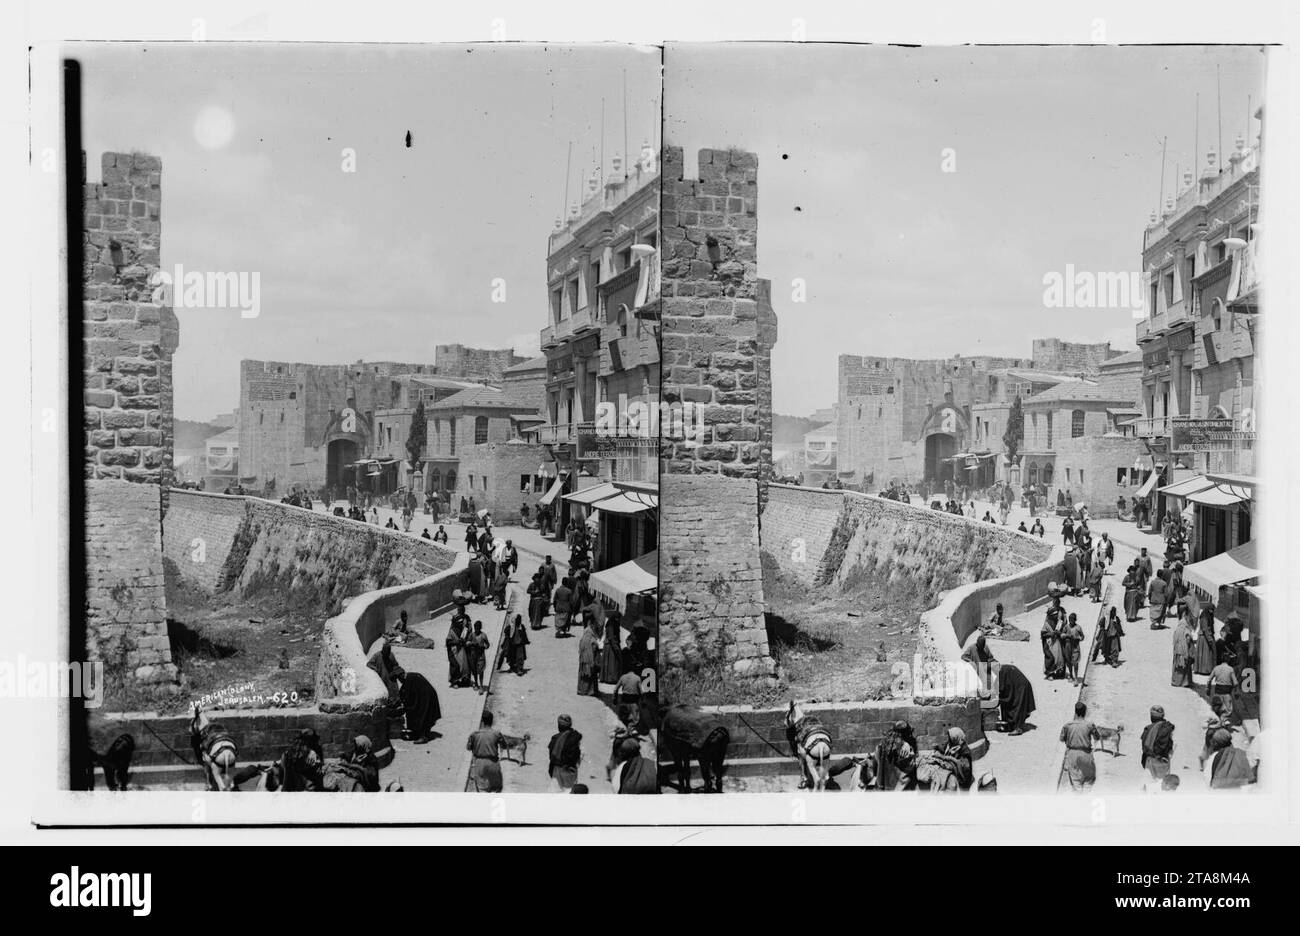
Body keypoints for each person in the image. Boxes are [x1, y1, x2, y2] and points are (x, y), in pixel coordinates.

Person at [1060, 701, 1101, 790]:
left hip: (1072, 755)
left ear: (1075, 712)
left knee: (1076, 783)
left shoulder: (1067, 725)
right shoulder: (1090, 725)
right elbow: (1097, 737)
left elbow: (1061, 739)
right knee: (1088, 781)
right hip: (1086, 754)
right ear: (1085, 712)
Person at [395, 668, 441, 743]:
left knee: (420, 715)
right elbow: (405, 691)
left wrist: (402, 706)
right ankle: (423, 733)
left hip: (427, 698)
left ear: (402, 676)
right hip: (427, 696)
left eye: (399, 679)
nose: (400, 681)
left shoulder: (409, 679)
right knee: (423, 714)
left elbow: (407, 695)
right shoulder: (410, 676)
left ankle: (423, 736)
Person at [466, 712, 504, 792]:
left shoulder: (474, 734)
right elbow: (503, 745)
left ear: (482, 721)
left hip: (479, 765)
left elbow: (468, 748)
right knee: (496, 791)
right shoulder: (497, 733)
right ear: (492, 721)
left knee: (482, 792)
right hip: (493, 764)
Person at [995, 663, 1036, 735]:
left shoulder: (997, 673)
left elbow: (999, 690)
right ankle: (1008, 725)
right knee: (1005, 702)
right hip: (1013, 684)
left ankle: (1018, 728)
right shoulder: (997, 672)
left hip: (1020, 686)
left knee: (1017, 704)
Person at [1139, 705, 1175, 785]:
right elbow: (1172, 745)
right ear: (1163, 716)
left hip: (1151, 760)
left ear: (1151, 717)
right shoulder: (1169, 727)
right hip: (1164, 761)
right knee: (1162, 786)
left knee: (1149, 785)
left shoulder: (1148, 729)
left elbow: (1144, 747)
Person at [547, 715, 583, 792]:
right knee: (569, 793)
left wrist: (551, 769)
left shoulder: (555, 738)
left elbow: (551, 756)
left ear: (559, 725)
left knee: (554, 794)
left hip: (557, 769)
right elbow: (580, 754)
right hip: (570, 770)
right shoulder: (576, 737)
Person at [1208, 651, 1240, 721]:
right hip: (1227, 693)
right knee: (1228, 710)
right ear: (1228, 660)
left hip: (1217, 692)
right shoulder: (1230, 669)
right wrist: (1237, 692)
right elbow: (1235, 683)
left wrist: (1208, 689)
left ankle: (1221, 721)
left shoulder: (1216, 668)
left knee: (1217, 709)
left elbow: (1209, 680)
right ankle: (1222, 720)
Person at [1170, 603, 1196, 688]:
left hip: (1178, 648)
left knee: (1178, 664)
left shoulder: (1180, 624)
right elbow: (1187, 637)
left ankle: (1176, 681)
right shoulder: (1184, 626)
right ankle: (1184, 682)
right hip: (1183, 648)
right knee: (1184, 664)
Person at [576, 615, 601, 697]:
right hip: (589, 659)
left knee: (584, 674)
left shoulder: (586, 633)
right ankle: (590, 691)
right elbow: (593, 647)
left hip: (583, 658)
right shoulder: (590, 637)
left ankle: (582, 690)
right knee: (590, 674)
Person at [599, 610, 623, 685]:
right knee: (611, 663)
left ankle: (611, 678)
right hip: (610, 646)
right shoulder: (611, 625)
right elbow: (611, 637)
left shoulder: (615, 623)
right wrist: (616, 648)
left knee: (612, 663)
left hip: (613, 644)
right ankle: (609, 678)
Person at [446, 613, 470, 687]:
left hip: (462, 650)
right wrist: (456, 641)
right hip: (454, 651)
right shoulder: (452, 631)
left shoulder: (464, 630)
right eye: (459, 622)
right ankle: (454, 681)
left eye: (461, 622)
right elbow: (448, 642)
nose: (461, 624)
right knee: (455, 666)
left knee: (464, 665)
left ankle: (464, 679)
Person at [1061, 611, 1085, 684]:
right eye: (1070, 620)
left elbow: (1082, 637)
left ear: (1075, 620)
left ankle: (1076, 678)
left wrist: (1077, 638)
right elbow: (1062, 635)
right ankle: (1071, 675)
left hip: (1075, 646)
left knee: (1075, 662)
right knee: (1068, 662)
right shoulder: (1066, 627)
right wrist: (1066, 635)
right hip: (1068, 646)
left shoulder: (1078, 627)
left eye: (1072, 620)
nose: (1071, 621)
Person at [466, 620, 490, 692]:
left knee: (481, 671)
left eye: (478, 628)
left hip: (480, 655)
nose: (476, 629)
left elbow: (487, 645)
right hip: (473, 654)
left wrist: (483, 647)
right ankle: (476, 683)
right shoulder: (472, 635)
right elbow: (467, 642)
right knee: (474, 670)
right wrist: (471, 643)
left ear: (480, 628)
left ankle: (481, 686)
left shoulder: (483, 635)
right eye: (475, 627)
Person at [1041, 609, 1065, 679]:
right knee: (1050, 658)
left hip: (1057, 642)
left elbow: (1062, 630)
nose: (1056, 616)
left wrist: (1059, 633)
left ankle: (1058, 672)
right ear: (1051, 616)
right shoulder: (1047, 624)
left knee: (1058, 657)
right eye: (1054, 615)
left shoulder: (1059, 622)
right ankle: (1049, 673)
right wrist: (1051, 634)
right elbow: (1043, 634)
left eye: (1056, 614)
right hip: (1049, 644)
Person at [1193, 605, 1217, 676]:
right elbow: (1205, 629)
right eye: (1210, 610)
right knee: (1205, 653)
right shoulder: (1204, 617)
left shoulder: (1209, 615)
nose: (1212, 611)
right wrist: (1209, 639)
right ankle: (1203, 670)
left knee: (1208, 654)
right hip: (1204, 637)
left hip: (1208, 635)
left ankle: (1207, 669)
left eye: (1212, 610)